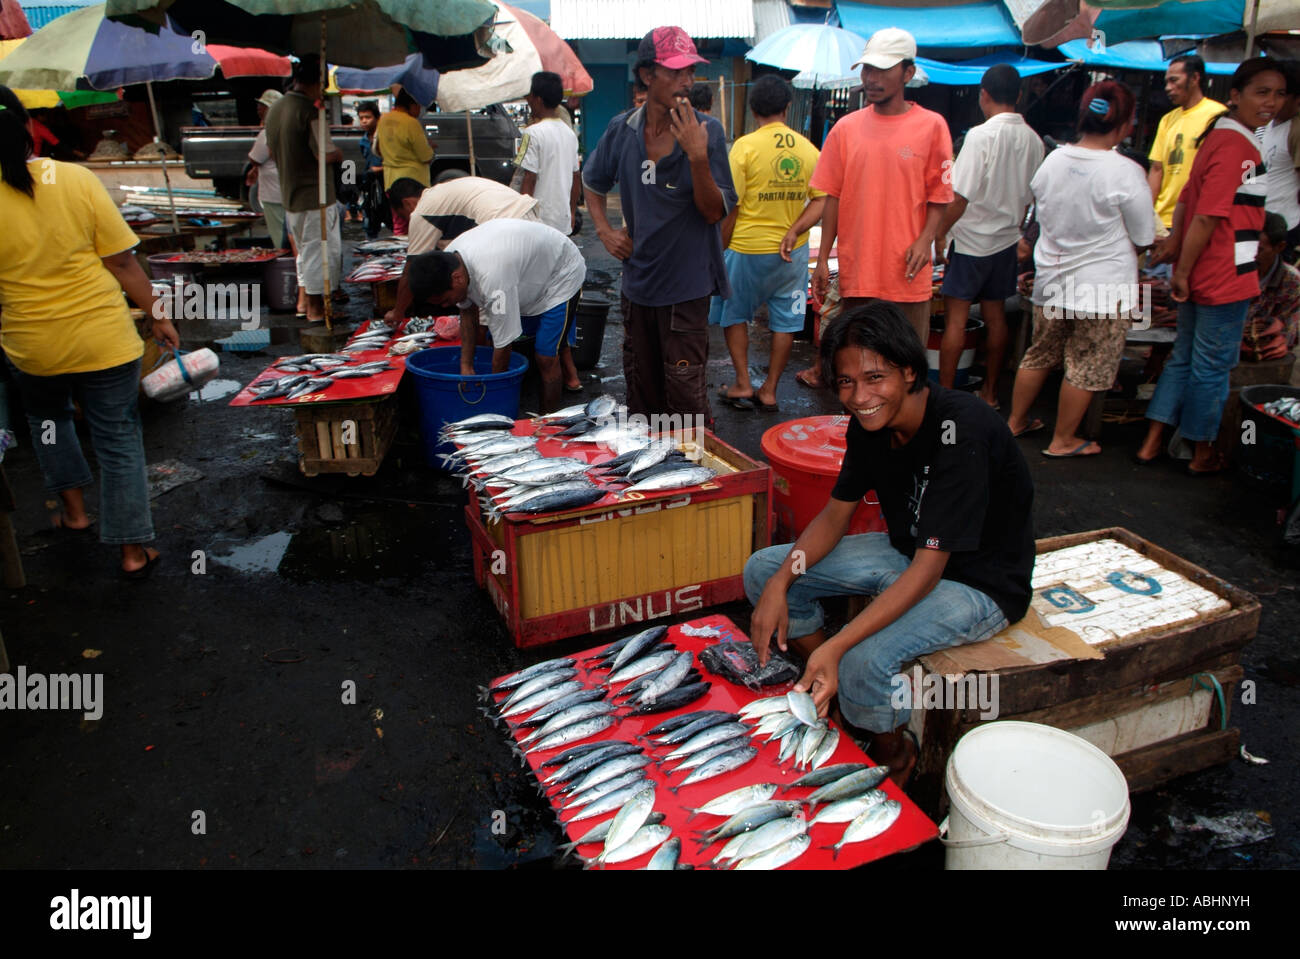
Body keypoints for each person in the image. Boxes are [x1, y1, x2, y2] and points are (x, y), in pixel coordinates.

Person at [744, 302, 1035, 786]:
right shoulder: (869, 426)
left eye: (875, 378)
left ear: (909, 370)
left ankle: (894, 752)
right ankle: (829, 692)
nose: (860, 397)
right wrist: (780, 580)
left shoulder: (959, 427)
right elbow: (836, 515)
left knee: (862, 661)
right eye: (846, 382)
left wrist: (839, 646)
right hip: (907, 553)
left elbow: (929, 571)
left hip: (978, 583)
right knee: (762, 569)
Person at [0, 85, 180, 578]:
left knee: (50, 423)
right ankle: (132, 551)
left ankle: (75, 513)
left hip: (32, 348)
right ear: (27, 130)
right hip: (102, 340)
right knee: (117, 440)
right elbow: (122, 262)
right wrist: (159, 315)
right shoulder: (75, 178)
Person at [1135, 59, 1286, 474]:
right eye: (1262, 92)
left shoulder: (1218, 136)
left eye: (1278, 93)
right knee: (1211, 367)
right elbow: (1206, 214)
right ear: (1235, 96)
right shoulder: (1237, 145)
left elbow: (1186, 200)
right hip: (1224, 274)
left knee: (1185, 359)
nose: (1272, 101)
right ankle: (1201, 452)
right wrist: (1182, 267)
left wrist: (1178, 254)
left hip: (1207, 267)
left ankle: (1152, 443)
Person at [583, 26, 736, 426]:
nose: (686, 81)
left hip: (685, 289)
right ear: (648, 75)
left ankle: (696, 477)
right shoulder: (622, 129)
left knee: (685, 397)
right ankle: (652, 479)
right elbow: (591, 181)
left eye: (691, 71)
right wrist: (604, 230)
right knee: (642, 395)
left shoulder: (708, 132)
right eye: (675, 71)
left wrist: (698, 158)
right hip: (638, 287)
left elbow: (712, 213)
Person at [1005, 82, 1155, 459]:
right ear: (1125, 124)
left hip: (1053, 278)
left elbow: (1038, 213)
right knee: (1086, 364)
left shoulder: (1053, 160)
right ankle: (1064, 439)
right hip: (1102, 287)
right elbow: (1144, 234)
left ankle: (1015, 421)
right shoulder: (1125, 171)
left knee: (1040, 353)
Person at [799, 28, 953, 390]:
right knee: (859, 374)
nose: (872, 78)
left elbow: (940, 195)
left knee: (906, 373)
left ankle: (907, 444)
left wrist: (925, 239)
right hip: (859, 275)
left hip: (908, 276)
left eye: (883, 70)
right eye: (868, 69)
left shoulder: (932, 127)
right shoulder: (845, 129)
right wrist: (822, 260)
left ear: (908, 73)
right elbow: (832, 197)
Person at [712, 74, 825, 412]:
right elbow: (821, 200)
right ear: (787, 108)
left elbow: (730, 205)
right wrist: (795, 230)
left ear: (753, 109)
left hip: (746, 249)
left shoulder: (744, 147)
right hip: (791, 254)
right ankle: (771, 390)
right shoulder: (808, 149)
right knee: (786, 321)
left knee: (733, 314)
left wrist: (718, 248)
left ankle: (743, 383)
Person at [934, 64, 1044, 407]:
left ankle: (947, 397)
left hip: (970, 241)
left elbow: (959, 197)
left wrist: (937, 236)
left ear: (984, 95)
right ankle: (992, 393)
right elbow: (1032, 197)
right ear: (1020, 96)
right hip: (1006, 240)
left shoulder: (980, 136)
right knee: (996, 316)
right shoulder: (1034, 140)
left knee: (956, 318)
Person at [406, 219, 585, 414]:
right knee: (512, 339)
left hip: (560, 275)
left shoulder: (493, 278)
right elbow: (467, 312)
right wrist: (466, 368)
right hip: (527, 275)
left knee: (545, 355)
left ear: (456, 279)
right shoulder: (450, 259)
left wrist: (491, 398)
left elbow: (504, 345)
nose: (445, 306)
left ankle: (547, 421)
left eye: (444, 300)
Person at [384, 173, 541, 322]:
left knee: (489, 315)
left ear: (407, 203)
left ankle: (488, 347)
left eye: (403, 215)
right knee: (523, 300)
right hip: (530, 217)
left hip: (506, 228)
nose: (408, 220)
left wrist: (397, 311)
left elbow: (411, 270)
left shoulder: (421, 212)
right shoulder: (442, 193)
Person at [265, 55, 344, 324]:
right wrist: (339, 154)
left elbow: (272, 152)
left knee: (304, 253)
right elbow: (325, 152)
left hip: (290, 195)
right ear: (318, 82)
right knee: (319, 253)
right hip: (315, 196)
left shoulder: (275, 109)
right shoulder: (311, 111)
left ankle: (304, 305)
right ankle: (316, 310)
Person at [1148, 55, 1224, 233]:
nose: (1168, 88)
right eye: (1166, 82)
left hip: (1194, 219)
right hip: (1161, 221)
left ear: (1195, 78)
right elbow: (1157, 169)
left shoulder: (1217, 116)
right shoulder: (1167, 120)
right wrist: (1147, 213)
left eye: (1174, 81)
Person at [518, 71, 581, 237]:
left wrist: (522, 217)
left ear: (538, 100)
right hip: (563, 221)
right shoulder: (570, 135)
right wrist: (572, 212)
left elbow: (528, 178)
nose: (528, 101)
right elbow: (576, 178)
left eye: (530, 96)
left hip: (538, 222)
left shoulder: (529, 133)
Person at [1241, 212, 1300, 360]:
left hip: (1264, 355)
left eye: (1259, 250)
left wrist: (1284, 338)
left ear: (1279, 247)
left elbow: (1295, 320)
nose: (1251, 255)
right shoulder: (1228, 269)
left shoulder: (1292, 281)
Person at [377, 88, 435, 237]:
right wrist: (429, 147)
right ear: (412, 103)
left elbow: (377, 149)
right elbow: (426, 156)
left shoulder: (383, 120)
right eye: (418, 106)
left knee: (399, 224)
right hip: (413, 183)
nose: (419, 110)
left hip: (390, 181)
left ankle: (399, 255)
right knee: (419, 224)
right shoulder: (411, 123)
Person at [1257, 60, 1299, 260]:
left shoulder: (1296, 130)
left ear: (1296, 99)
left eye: (1281, 94)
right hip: (1257, 221)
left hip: (1284, 229)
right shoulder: (1264, 125)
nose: (1272, 101)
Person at [246, 89, 286, 248]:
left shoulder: (268, 132)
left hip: (274, 194)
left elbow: (255, 157)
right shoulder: (285, 129)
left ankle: (286, 268)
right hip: (286, 191)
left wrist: (254, 168)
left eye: (262, 105)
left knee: (280, 236)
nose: (258, 108)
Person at [355, 99, 385, 240]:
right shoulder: (363, 141)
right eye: (361, 118)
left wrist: (379, 169)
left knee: (391, 219)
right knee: (370, 223)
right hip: (371, 187)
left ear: (377, 118)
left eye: (368, 117)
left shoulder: (384, 137)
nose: (364, 121)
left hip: (386, 184)